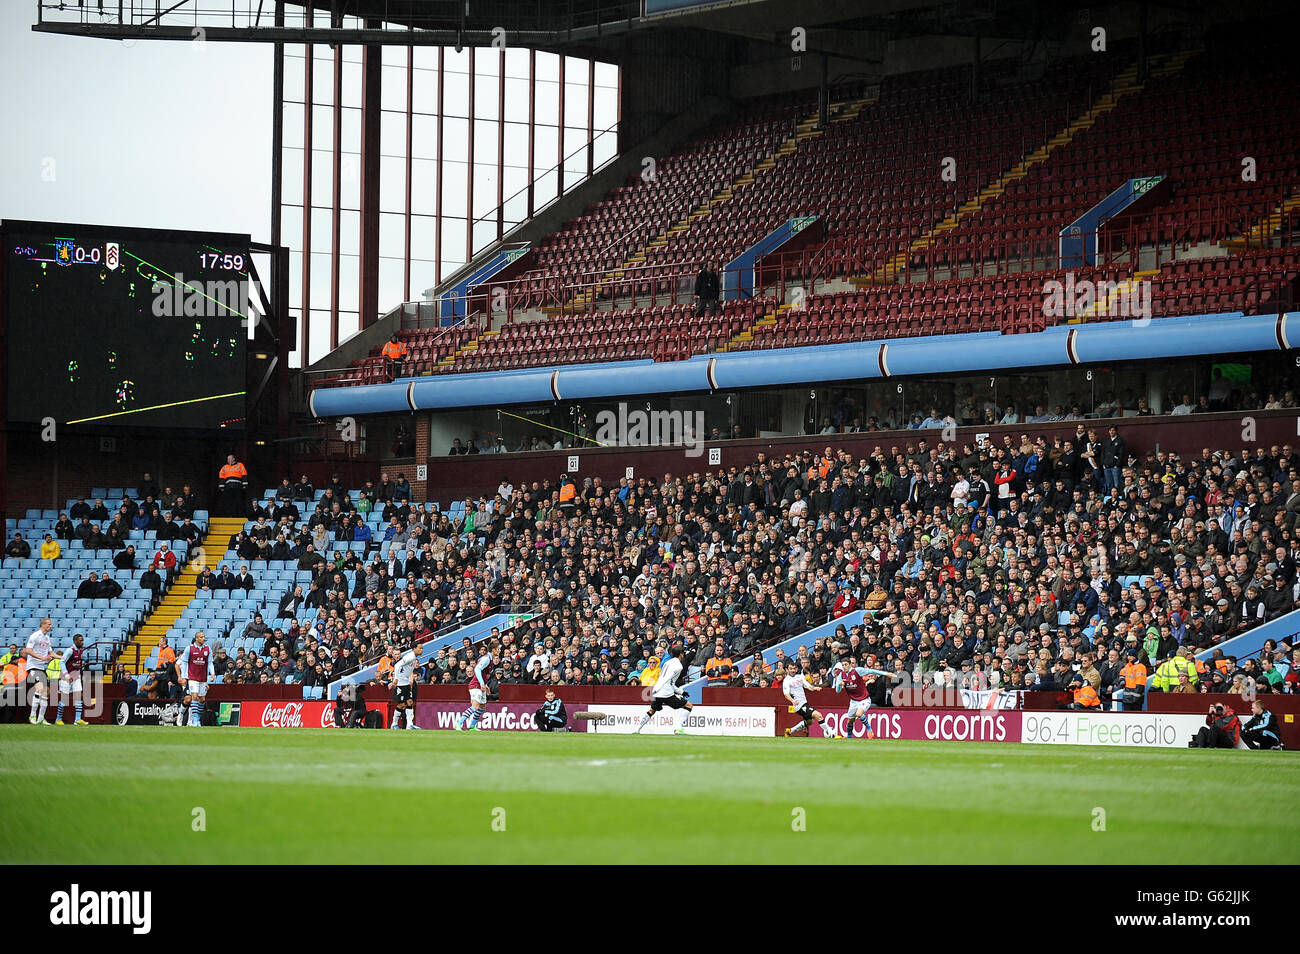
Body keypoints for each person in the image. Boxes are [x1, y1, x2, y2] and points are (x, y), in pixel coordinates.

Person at [635, 643, 693, 734]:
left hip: (657, 690)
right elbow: (670, 682)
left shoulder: (667, 662)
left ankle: (637, 729)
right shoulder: (679, 666)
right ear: (681, 654)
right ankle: (678, 728)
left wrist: (681, 692)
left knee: (652, 710)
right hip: (666, 692)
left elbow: (664, 678)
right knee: (689, 705)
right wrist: (680, 692)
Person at [832, 650, 889, 739]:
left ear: (850, 664)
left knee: (859, 714)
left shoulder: (857, 671)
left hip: (864, 699)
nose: (844, 667)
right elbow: (837, 691)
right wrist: (840, 685)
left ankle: (869, 729)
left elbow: (872, 671)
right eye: (843, 665)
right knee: (850, 720)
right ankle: (849, 736)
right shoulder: (841, 675)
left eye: (846, 665)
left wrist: (886, 673)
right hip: (853, 701)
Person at [454, 639, 500, 731]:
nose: (499, 650)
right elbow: (477, 669)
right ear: (493, 650)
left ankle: (472, 726)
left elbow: (483, 673)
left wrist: (485, 685)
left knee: (482, 706)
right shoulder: (486, 659)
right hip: (475, 685)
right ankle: (458, 723)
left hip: (480, 685)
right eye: (498, 649)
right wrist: (482, 683)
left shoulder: (489, 659)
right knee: (475, 706)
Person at [783, 659, 829, 738]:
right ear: (787, 670)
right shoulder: (786, 681)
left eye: (794, 668)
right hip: (799, 705)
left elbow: (808, 686)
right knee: (818, 715)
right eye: (791, 669)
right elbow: (786, 694)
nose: (793, 670)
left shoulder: (800, 677)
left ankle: (790, 731)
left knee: (809, 722)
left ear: (797, 669)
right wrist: (792, 700)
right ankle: (831, 734)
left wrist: (815, 688)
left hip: (804, 703)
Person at [176, 632, 214, 727]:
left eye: (204, 637)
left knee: (202, 699)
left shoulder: (207, 649)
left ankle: (193, 719)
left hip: (203, 678)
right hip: (192, 678)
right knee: (192, 697)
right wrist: (183, 676)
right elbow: (179, 664)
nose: (203, 638)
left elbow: (209, 663)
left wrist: (212, 674)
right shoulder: (189, 649)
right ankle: (192, 719)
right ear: (196, 639)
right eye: (201, 637)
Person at [23, 618, 55, 725]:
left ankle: (41, 718)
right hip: (33, 666)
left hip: (41, 667)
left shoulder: (47, 638)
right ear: (43, 625)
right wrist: (41, 658)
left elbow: (51, 653)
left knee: (47, 691)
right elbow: (28, 650)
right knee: (40, 689)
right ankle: (32, 715)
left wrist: (62, 657)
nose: (51, 626)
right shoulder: (35, 636)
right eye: (49, 624)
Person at [53, 633, 88, 726]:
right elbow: (62, 662)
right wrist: (66, 675)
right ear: (75, 641)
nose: (82, 642)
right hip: (66, 677)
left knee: (79, 695)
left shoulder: (80, 650)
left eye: (83, 640)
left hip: (76, 676)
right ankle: (58, 719)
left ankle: (77, 719)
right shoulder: (70, 650)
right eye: (80, 640)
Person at [389, 641, 422, 731]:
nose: (421, 650)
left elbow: (407, 669)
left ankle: (410, 725)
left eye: (422, 648)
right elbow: (397, 665)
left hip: (406, 682)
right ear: (414, 648)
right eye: (420, 648)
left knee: (410, 702)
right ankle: (394, 724)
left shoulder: (413, 657)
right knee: (402, 704)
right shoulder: (410, 656)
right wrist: (396, 678)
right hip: (401, 683)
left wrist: (410, 677)